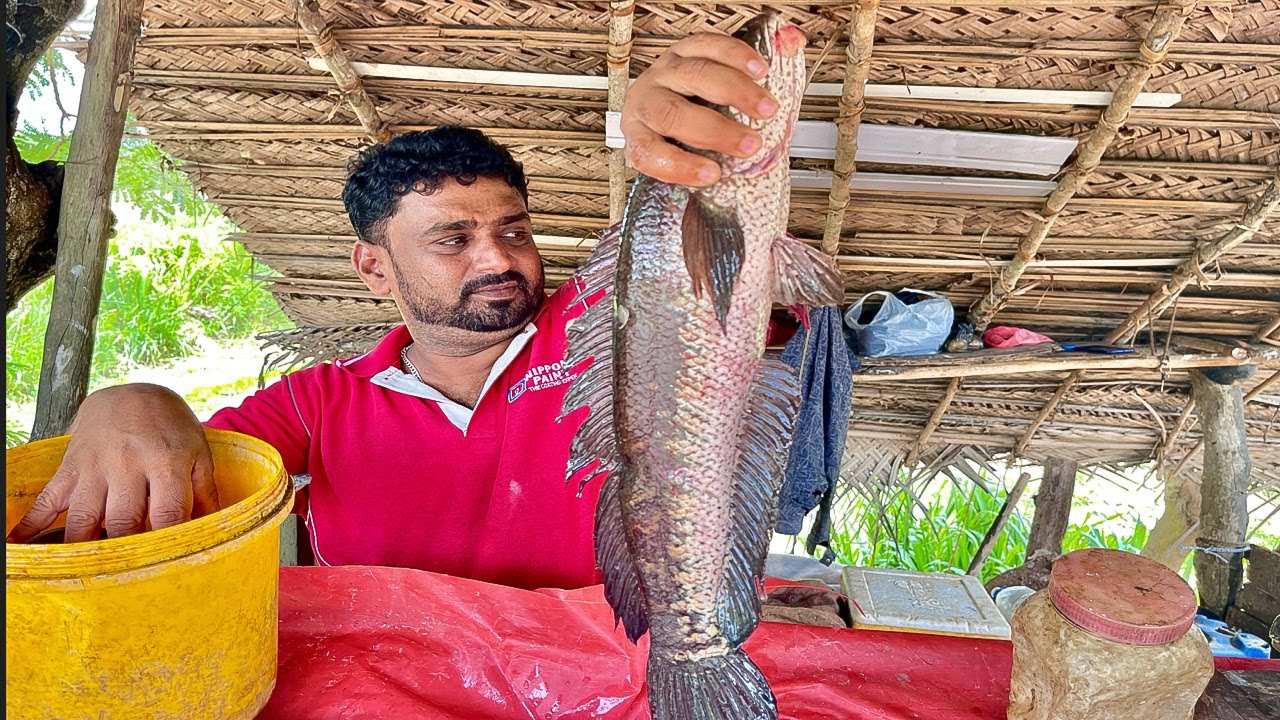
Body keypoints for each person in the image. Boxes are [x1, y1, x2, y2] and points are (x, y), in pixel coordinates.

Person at [8, 32, 785, 590]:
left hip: (614, 684)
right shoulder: (320, 404)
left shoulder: (607, 325)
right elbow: (185, 468)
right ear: (374, 268)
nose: (497, 257)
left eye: (512, 229)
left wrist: (673, 128)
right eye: (453, 238)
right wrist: (128, 400)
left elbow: (715, 255)